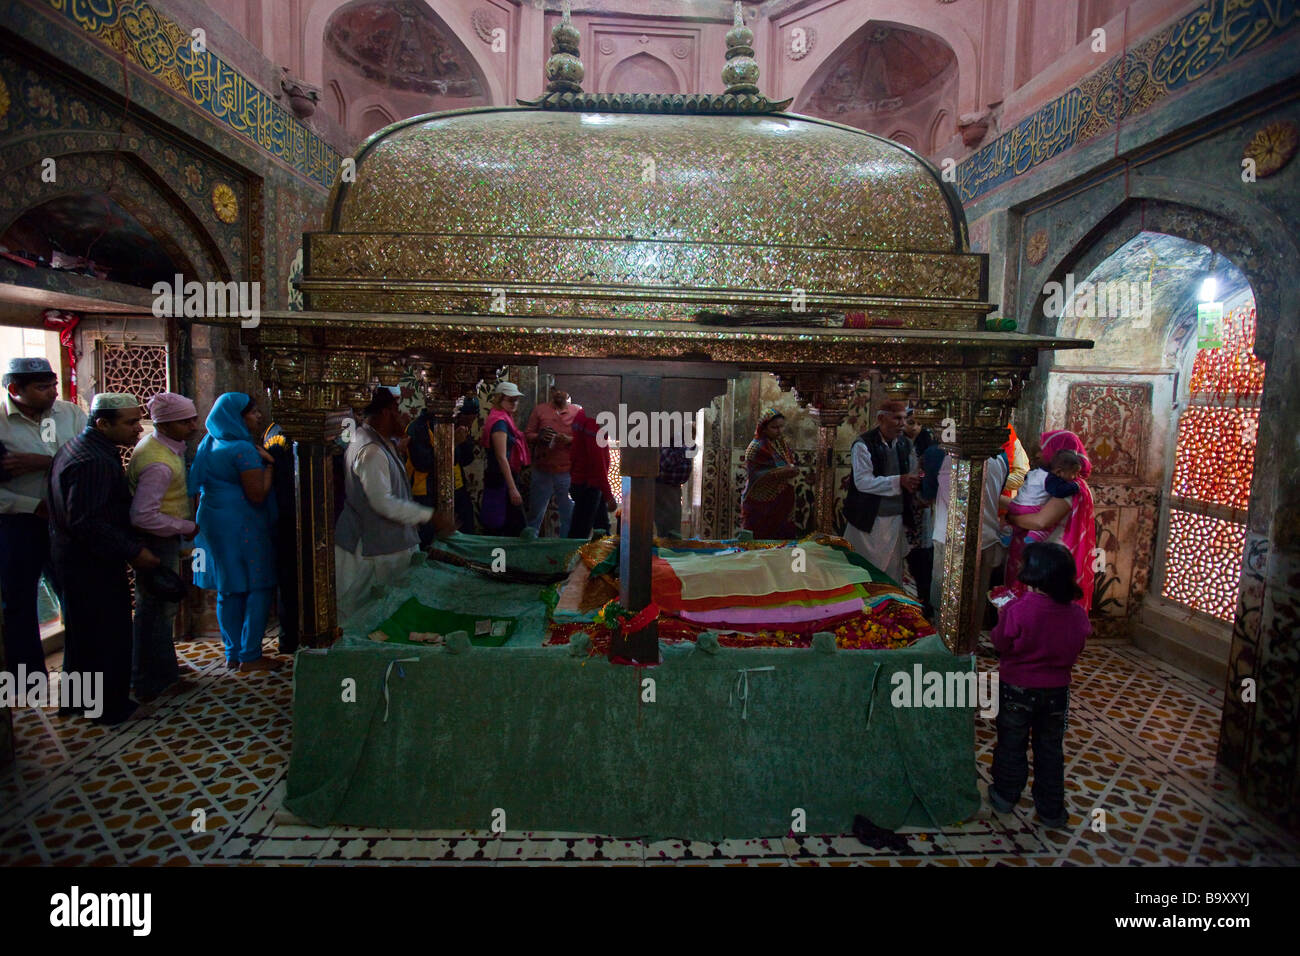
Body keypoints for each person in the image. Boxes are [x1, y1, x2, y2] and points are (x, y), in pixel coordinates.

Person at [48, 392, 160, 724]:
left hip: (71, 558)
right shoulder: (93, 460)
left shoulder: (75, 448)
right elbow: (87, 520)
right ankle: (111, 708)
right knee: (108, 634)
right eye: (129, 422)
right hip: (91, 563)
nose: (137, 429)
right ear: (102, 423)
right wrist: (133, 550)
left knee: (83, 633)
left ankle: (77, 700)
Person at [987, 541, 1091, 828]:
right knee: (1050, 749)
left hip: (1016, 688)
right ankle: (1051, 809)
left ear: (1033, 574)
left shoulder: (1019, 609)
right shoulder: (1077, 614)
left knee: (1011, 743)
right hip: (1057, 692)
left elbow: (1000, 642)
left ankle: (1005, 796)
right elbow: (1077, 646)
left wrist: (1001, 618)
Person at [0, 356, 85, 678]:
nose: (52, 392)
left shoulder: (70, 414)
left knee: (75, 595)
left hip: (67, 520)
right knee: (18, 601)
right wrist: (29, 505)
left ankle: (78, 674)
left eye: (52, 385)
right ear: (14, 389)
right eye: (41, 387)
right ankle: (27, 678)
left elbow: (84, 462)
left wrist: (44, 461)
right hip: (17, 522)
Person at [189, 393, 280, 672]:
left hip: (212, 521)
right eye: (252, 413)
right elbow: (257, 494)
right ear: (237, 417)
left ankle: (232, 653)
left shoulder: (209, 442)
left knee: (228, 588)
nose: (258, 417)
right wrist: (270, 466)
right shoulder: (243, 450)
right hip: (241, 522)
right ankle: (251, 655)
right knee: (258, 585)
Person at [336, 387, 449, 612]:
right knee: (368, 615)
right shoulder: (371, 450)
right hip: (372, 553)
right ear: (387, 412)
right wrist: (430, 516)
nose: (405, 418)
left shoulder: (375, 441)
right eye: (400, 410)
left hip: (380, 547)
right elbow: (382, 502)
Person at [127, 392, 199, 700]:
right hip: (156, 541)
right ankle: (154, 680)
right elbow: (143, 515)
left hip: (162, 539)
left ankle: (161, 667)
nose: (194, 426)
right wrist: (186, 526)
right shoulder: (158, 463)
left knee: (159, 607)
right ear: (166, 424)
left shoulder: (163, 448)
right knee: (157, 609)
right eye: (186, 421)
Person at [1005, 430, 1096, 611]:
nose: (1038, 454)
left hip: (1051, 566)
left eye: (1043, 449)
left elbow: (1040, 522)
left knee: (1043, 617)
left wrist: (1010, 518)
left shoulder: (1070, 487)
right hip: (1044, 559)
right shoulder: (1051, 481)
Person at [924, 445, 1010, 620]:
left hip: (948, 539)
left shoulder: (939, 452)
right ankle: (969, 646)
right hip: (986, 538)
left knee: (945, 601)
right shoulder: (1001, 455)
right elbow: (995, 493)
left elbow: (928, 493)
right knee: (975, 602)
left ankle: (941, 644)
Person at [843, 400, 919, 583]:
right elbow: (862, 482)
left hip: (895, 519)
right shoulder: (863, 444)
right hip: (867, 520)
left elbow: (913, 474)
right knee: (864, 573)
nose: (902, 424)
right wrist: (899, 481)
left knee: (892, 573)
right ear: (881, 418)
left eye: (905, 419)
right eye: (897, 418)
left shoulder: (905, 445)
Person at [262, 420, 299, 653]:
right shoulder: (282, 433)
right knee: (290, 580)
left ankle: (292, 636)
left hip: (287, 514)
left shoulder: (274, 431)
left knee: (291, 580)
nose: (257, 416)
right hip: (289, 516)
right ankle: (291, 638)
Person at [524, 387, 581, 536]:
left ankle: (566, 551)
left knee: (569, 514)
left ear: (568, 392)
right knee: (535, 514)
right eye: (555, 389)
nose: (558, 393)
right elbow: (528, 434)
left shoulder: (577, 411)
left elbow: (585, 440)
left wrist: (569, 440)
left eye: (562, 390)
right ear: (551, 391)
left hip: (567, 472)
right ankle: (530, 547)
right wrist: (539, 437)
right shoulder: (540, 410)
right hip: (542, 470)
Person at [480, 382, 529, 536]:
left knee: (509, 523)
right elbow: (501, 457)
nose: (514, 403)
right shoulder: (500, 422)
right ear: (499, 400)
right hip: (501, 478)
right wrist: (512, 488)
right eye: (510, 400)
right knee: (505, 524)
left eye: (516, 400)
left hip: (501, 476)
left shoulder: (503, 418)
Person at [741, 408, 798, 539]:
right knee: (760, 540)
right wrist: (783, 472)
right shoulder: (756, 447)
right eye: (774, 427)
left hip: (780, 502)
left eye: (781, 427)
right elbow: (755, 475)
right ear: (764, 428)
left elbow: (789, 462)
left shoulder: (781, 444)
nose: (779, 431)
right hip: (760, 503)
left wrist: (791, 469)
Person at [1004, 449, 1084, 542]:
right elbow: (1058, 492)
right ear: (1059, 472)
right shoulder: (1051, 479)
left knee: (1017, 530)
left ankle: (1008, 531)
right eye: (1073, 474)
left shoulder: (1034, 472)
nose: (1075, 477)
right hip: (1030, 509)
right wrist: (1075, 486)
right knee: (1048, 523)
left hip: (1015, 505)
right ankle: (1034, 537)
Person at [902, 409, 935, 616]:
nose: (913, 427)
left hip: (923, 510)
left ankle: (924, 603)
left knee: (922, 558)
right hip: (903, 506)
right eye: (910, 422)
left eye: (917, 423)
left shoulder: (929, 446)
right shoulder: (898, 445)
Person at [568, 406, 616, 540]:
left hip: (585, 481)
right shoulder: (594, 420)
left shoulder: (582, 413)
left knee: (602, 529)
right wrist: (608, 495)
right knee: (579, 534)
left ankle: (603, 558)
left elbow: (575, 451)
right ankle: (570, 559)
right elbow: (597, 461)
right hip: (589, 484)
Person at [452, 397, 479, 533]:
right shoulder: (442, 427)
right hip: (442, 486)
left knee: (467, 524)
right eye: (469, 419)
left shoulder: (463, 430)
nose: (471, 422)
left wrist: (465, 440)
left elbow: (467, 459)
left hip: (459, 484)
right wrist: (456, 442)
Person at [655, 445, 692, 538]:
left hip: (672, 489)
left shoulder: (676, 445)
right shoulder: (664, 445)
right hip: (662, 488)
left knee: (671, 533)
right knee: (668, 535)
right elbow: (668, 462)